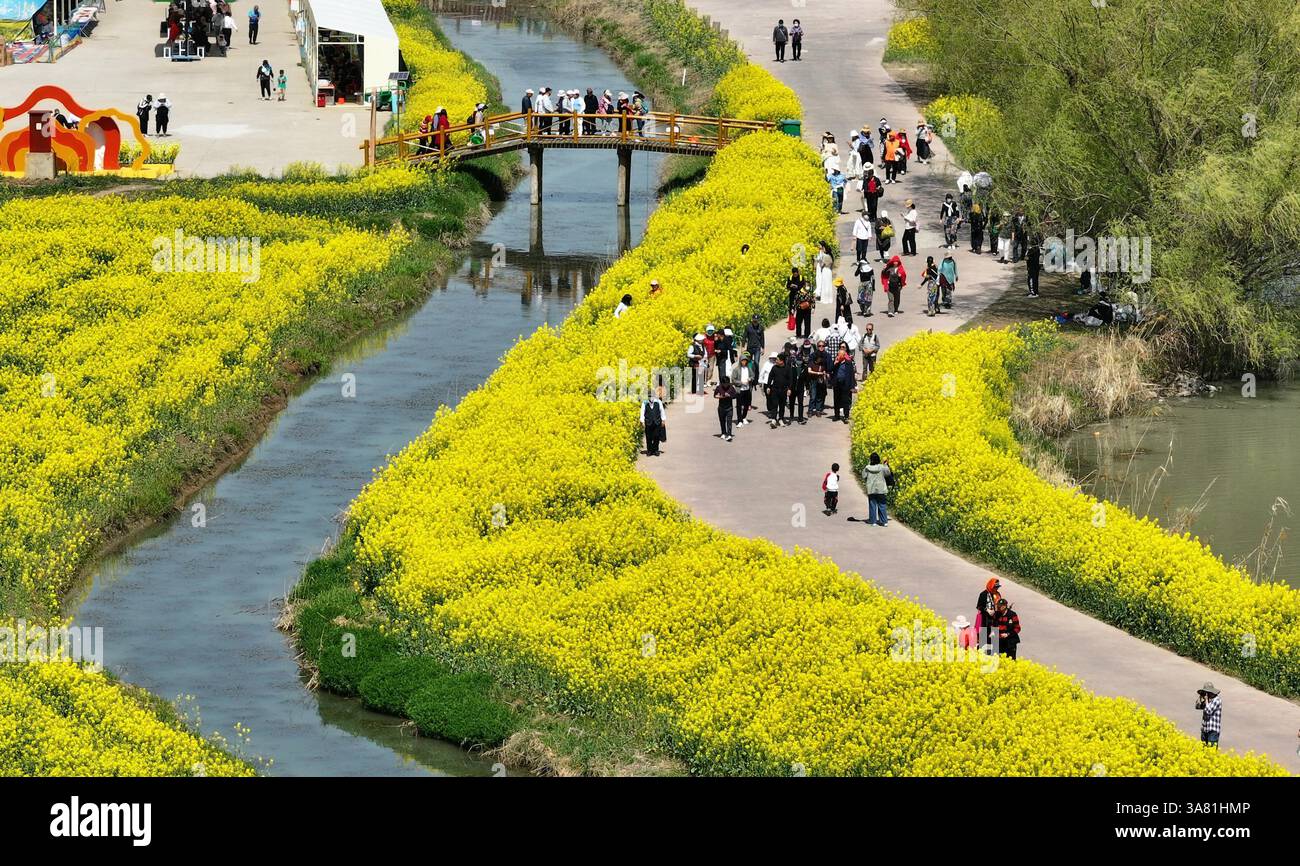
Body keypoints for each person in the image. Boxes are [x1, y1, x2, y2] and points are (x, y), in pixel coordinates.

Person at [861, 453, 891, 525]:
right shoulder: (882, 467)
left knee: (872, 505)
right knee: (882, 505)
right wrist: (886, 464)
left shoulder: (867, 468)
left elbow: (863, 476)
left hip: (871, 489)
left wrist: (869, 464)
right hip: (881, 489)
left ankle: (873, 521)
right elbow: (888, 473)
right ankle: (884, 522)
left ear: (871, 460)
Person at [831, 346, 855, 422]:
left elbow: (851, 374)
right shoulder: (836, 362)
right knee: (836, 400)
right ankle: (836, 415)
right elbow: (830, 370)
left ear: (844, 355)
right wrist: (835, 364)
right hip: (837, 383)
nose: (840, 356)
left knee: (845, 401)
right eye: (839, 354)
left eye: (841, 355)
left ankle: (846, 416)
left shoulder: (848, 363)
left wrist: (852, 385)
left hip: (845, 384)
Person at [976, 578, 1002, 649]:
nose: (996, 589)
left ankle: (994, 653)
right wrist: (987, 610)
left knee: (994, 640)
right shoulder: (983, 594)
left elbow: (999, 604)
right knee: (984, 639)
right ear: (991, 586)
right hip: (985, 619)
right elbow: (979, 606)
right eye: (995, 587)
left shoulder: (997, 594)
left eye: (997, 587)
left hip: (995, 620)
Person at [768, 352, 792, 427]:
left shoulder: (788, 368)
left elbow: (790, 379)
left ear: (782, 361)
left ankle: (781, 419)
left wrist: (789, 389)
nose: (776, 361)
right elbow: (770, 377)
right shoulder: (774, 367)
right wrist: (768, 387)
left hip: (784, 390)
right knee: (774, 405)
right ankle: (774, 420)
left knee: (782, 405)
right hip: (775, 389)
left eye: (777, 360)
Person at [1196, 682, 1222, 748]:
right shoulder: (1208, 700)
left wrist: (1206, 701)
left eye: (1206, 692)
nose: (1206, 694)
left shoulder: (1217, 700)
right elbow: (1197, 706)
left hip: (1213, 730)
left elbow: (1208, 711)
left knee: (1211, 751)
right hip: (1205, 729)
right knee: (1203, 751)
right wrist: (1200, 697)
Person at [734, 352, 757, 425]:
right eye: (743, 360)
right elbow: (733, 380)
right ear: (740, 361)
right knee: (739, 406)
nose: (744, 362)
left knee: (747, 405)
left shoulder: (748, 368)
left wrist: (750, 379)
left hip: (747, 389)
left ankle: (744, 417)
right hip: (740, 390)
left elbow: (753, 375)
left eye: (745, 361)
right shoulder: (736, 369)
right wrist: (741, 383)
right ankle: (739, 420)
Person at [640, 390, 666, 456]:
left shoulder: (658, 402)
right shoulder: (644, 403)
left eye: (652, 396)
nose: (651, 397)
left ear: (654, 396)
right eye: (649, 396)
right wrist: (642, 421)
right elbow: (642, 412)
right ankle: (649, 450)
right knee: (648, 437)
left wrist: (663, 420)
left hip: (657, 422)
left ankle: (656, 450)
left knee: (656, 436)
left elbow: (662, 411)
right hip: (648, 422)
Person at [713, 376, 738, 441]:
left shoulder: (731, 387)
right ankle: (723, 433)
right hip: (721, 408)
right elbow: (715, 395)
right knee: (722, 421)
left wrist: (730, 395)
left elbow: (735, 395)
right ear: (722, 383)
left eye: (727, 383)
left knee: (729, 421)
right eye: (725, 383)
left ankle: (729, 434)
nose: (726, 385)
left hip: (729, 408)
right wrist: (721, 396)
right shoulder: (719, 387)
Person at [807, 348, 828, 415]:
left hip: (820, 381)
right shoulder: (811, 363)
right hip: (813, 381)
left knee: (819, 396)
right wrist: (817, 373)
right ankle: (810, 410)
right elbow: (809, 371)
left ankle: (818, 410)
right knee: (813, 396)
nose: (820, 359)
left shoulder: (822, 364)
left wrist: (824, 376)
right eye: (819, 358)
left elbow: (824, 371)